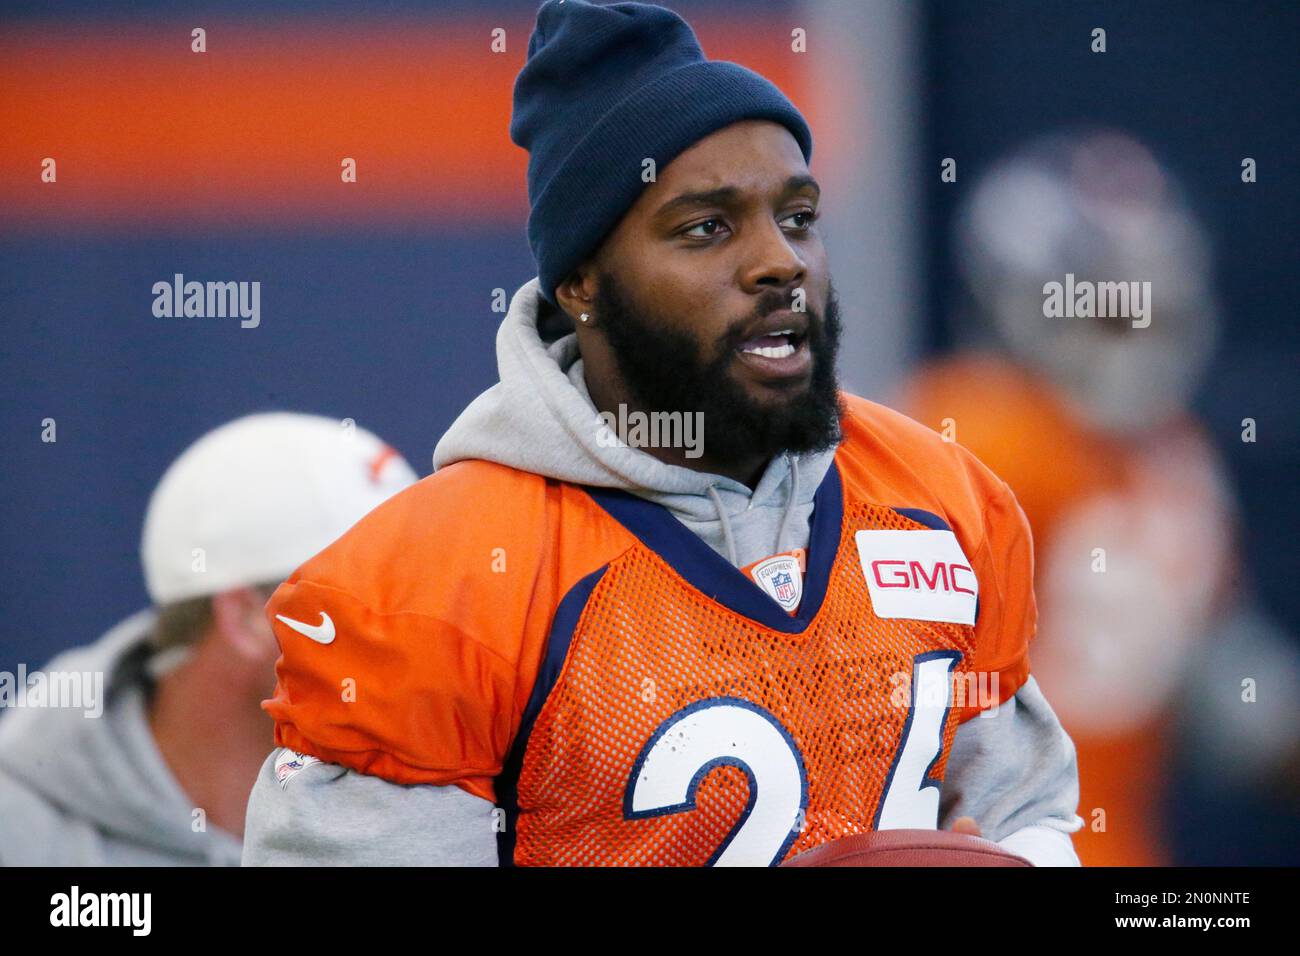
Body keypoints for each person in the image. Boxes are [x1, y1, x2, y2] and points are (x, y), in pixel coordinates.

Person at [243, 0, 1082, 867]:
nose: (780, 261)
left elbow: (1029, 817)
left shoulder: (944, 501)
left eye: (797, 217)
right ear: (583, 285)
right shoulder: (438, 590)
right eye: (706, 228)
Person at [0, 412, 415, 864]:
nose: (431, 637)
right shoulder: (19, 834)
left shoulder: (461, 800)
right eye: (379, 603)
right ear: (246, 619)